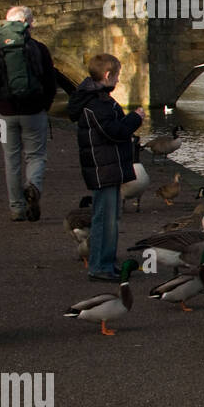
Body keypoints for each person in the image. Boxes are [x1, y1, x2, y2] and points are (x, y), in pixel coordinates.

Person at [68, 54, 145, 281]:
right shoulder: (97, 103)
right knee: (105, 218)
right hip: (104, 168)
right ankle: (100, 266)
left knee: (110, 217)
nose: (119, 80)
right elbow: (114, 131)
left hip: (105, 166)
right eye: (117, 76)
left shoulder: (94, 99)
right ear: (107, 75)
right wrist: (135, 118)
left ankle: (106, 262)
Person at [0, 6, 57, 221]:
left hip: (5, 113)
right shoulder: (39, 49)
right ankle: (33, 185)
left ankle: (16, 208)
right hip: (34, 111)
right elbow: (50, 83)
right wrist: (44, 105)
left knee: (11, 159)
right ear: (28, 23)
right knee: (36, 156)